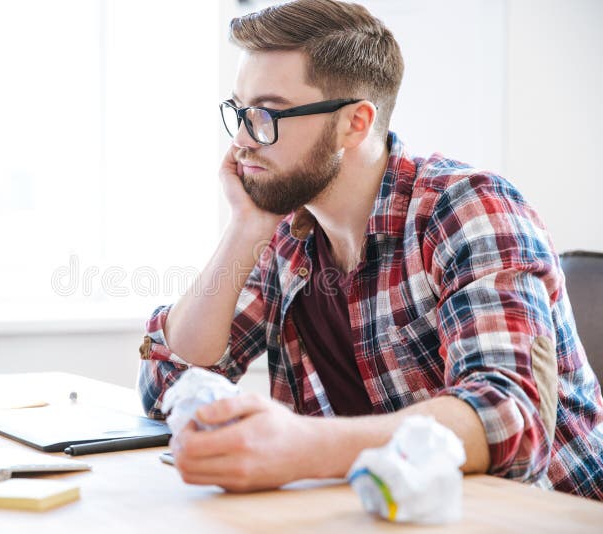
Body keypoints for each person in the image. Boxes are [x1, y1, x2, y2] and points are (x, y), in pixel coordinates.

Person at [137, 0, 603, 499]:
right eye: (240, 113)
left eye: (267, 114)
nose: (243, 141)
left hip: (545, 516)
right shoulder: (286, 236)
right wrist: (244, 228)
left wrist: (301, 446)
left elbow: (505, 417)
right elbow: (167, 383)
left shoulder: (469, 208)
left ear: (355, 123)